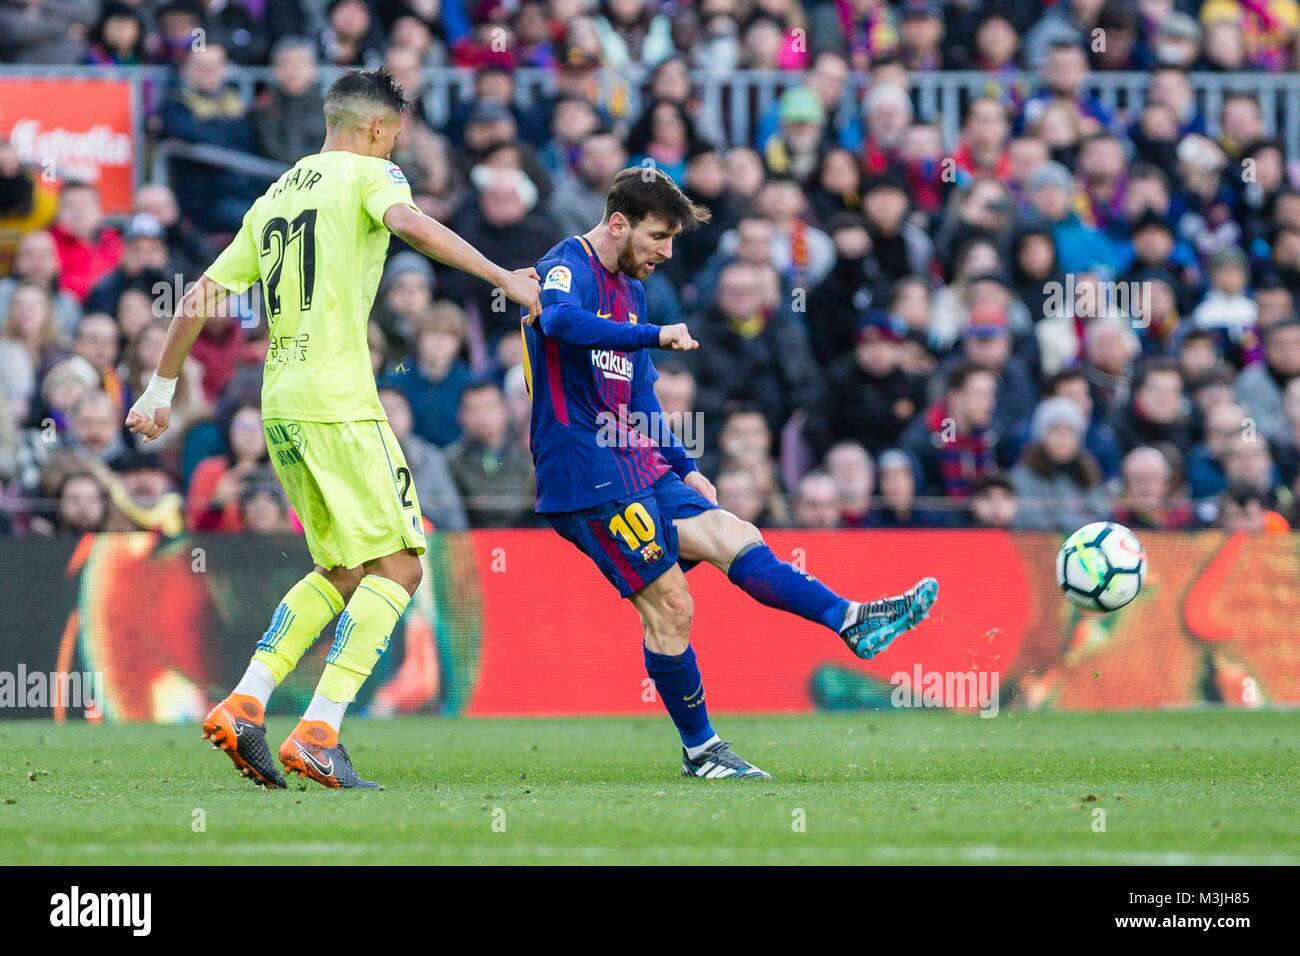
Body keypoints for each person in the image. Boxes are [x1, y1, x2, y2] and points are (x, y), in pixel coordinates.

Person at [125, 69, 541, 790]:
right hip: (341, 401)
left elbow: (197, 296)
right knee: (406, 562)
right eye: (397, 136)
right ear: (380, 128)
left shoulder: (278, 194)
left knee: (344, 569)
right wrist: (503, 277)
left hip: (280, 403)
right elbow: (410, 224)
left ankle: (246, 702)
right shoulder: (370, 177)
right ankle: (320, 730)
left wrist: (159, 390)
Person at [521, 168, 938, 780]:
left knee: (734, 534)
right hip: (584, 472)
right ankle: (703, 752)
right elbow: (556, 322)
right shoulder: (568, 265)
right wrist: (653, 335)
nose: (666, 253)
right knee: (671, 604)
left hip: (634, 460)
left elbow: (639, 399)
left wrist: (686, 467)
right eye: (659, 237)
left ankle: (848, 619)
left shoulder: (633, 291)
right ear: (619, 224)